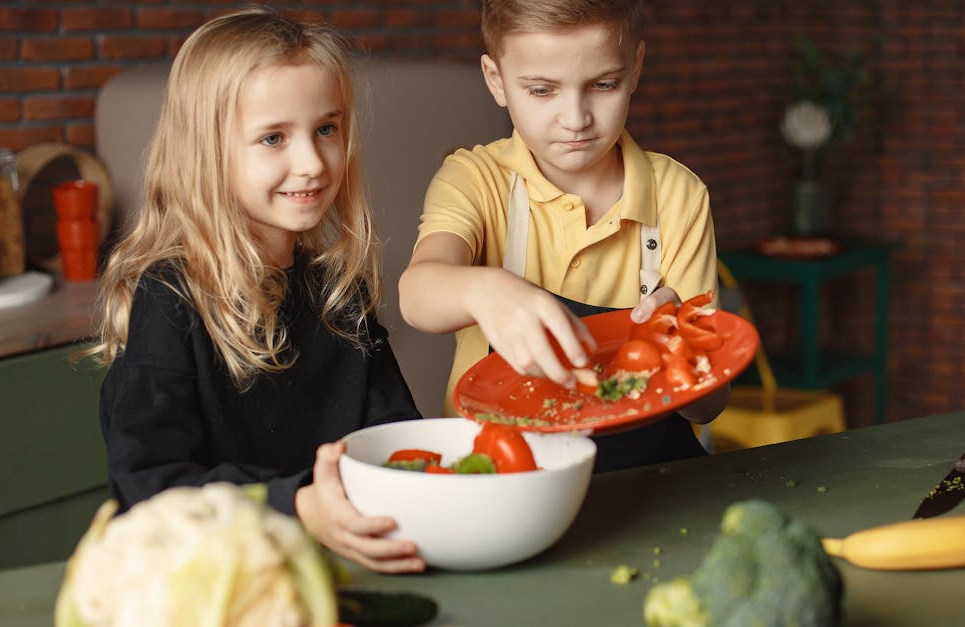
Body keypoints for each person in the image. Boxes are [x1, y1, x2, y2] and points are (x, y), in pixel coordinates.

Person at [88, 8, 424, 573]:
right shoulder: (169, 298)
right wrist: (296, 504)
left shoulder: (337, 290)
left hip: (339, 569)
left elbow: (399, 443)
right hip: (221, 582)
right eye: (273, 137)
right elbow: (152, 488)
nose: (312, 163)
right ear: (206, 153)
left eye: (326, 128)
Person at [398, 0, 728, 472]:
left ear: (635, 69)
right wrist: (483, 288)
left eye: (603, 85)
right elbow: (416, 294)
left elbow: (709, 406)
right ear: (496, 81)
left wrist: (680, 352)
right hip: (505, 476)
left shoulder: (679, 195)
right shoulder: (475, 179)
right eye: (542, 90)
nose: (576, 118)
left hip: (648, 480)